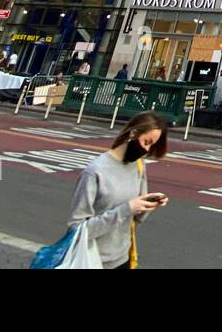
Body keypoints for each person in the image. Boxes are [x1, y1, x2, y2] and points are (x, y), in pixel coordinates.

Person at [67, 111, 170, 269]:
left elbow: (136, 219)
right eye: (146, 142)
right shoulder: (95, 172)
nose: (147, 150)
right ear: (133, 133)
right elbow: (77, 230)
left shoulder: (138, 165)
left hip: (123, 258)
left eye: (152, 145)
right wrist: (126, 209)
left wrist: (148, 203)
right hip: (92, 260)